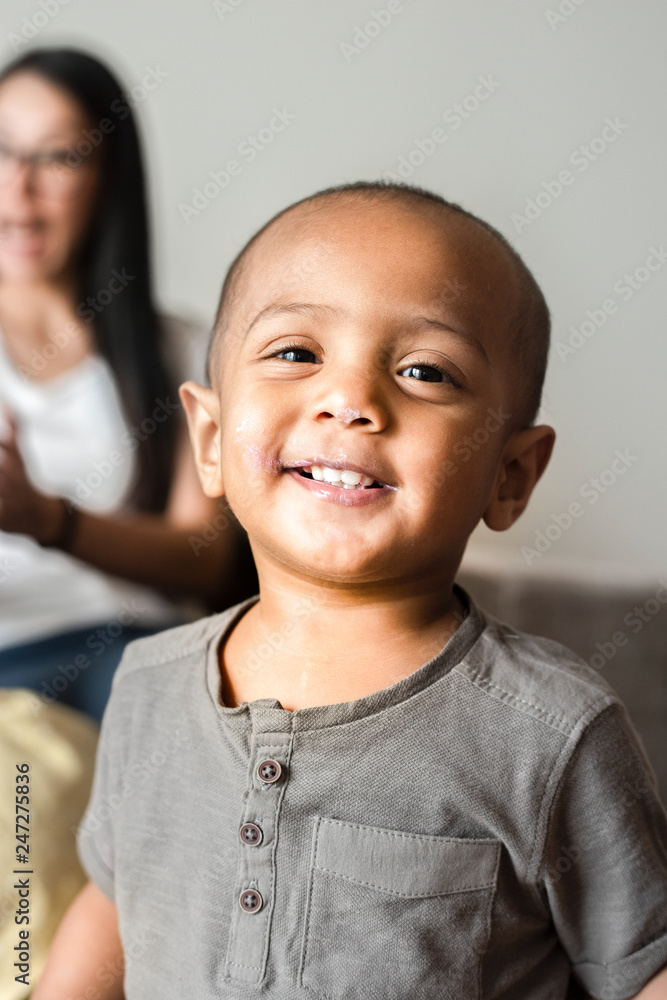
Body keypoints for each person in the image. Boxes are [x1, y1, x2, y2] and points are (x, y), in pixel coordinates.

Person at [34, 183, 667, 999]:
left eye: (424, 370)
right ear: (213, 439)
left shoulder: (550, 732)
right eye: (296, 353)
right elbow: (114, 903)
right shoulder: (148, 684)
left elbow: (645, 966)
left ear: (509, 475)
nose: (351, 401)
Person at [0, 49, 251, 720]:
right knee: (25, 803)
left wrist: (46, 520)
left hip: (141, 656)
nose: (18, 189)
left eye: (59, 158)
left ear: (109, 178)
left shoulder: (180, 349)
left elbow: (203, 556)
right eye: (1, 151)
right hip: (8, 663)